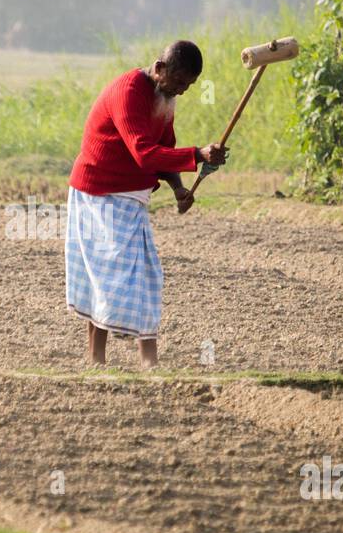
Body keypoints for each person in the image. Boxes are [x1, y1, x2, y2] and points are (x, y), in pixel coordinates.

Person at [65, 40, 227, 369]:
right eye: (178, 81)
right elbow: (144, 153)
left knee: (143, 277)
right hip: (99, 194)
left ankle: (144, 362)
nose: (181, 90)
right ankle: (104, 360)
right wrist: (197, 155)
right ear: (159, 68)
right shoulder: (128, 92)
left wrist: (178, 188)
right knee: (112, 277)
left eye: (189, 85)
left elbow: (164, 148)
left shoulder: (163, 99)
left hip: (128, 196)